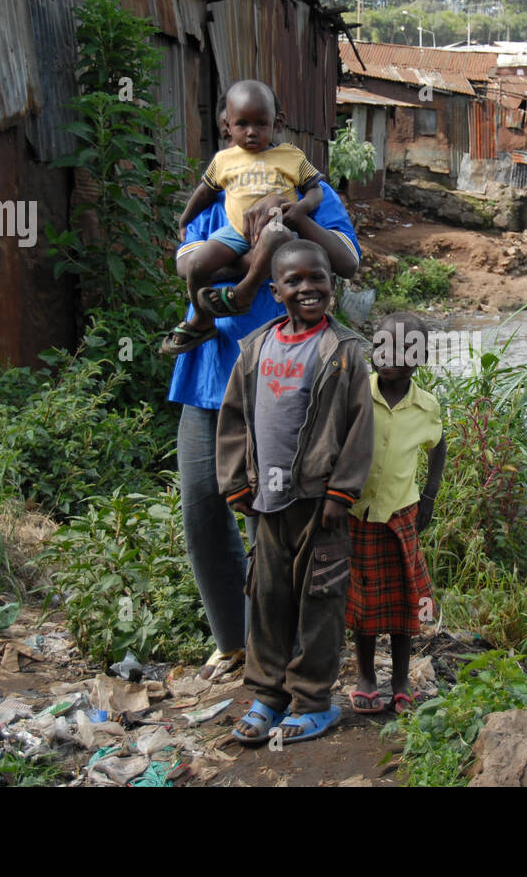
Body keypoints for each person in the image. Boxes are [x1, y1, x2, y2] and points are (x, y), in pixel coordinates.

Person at [169, 184, 360, 682]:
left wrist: (288, 221)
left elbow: (341, 263)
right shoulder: (215, 200)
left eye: (263, 127)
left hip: (283, 386)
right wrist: (257, 250)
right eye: (239, 127)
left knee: (272, 522)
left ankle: (278, 655)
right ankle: (232, 642)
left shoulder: (315, 197)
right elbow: (191, 269)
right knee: (203, 512)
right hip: (208, 376)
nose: (251, 140)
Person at [217, 239, 374, 744]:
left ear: (333, 284)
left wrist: (340, 493)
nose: (307, 288)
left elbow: (359, 427)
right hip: (266, 503)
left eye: (317, 278)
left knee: (319, 601)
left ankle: (313, 700)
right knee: (267, 598)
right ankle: (268, 694)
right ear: (275, 290)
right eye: (294, 281)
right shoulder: (255, 347)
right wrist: (235, 480)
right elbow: (235, 418)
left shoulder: (345, 351)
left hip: (319, 505)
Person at [161, 80, 326, 354]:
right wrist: (184, 220)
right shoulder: (224, 160)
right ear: (228, 125)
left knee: (278, 234)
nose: (252, 132)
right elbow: (204, 193)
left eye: (261, 124)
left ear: (277, 122)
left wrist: (302, 208)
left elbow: (315, 190)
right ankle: (202, 320)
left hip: (276, 231)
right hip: (236, 233)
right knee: (198, 264)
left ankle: (244, 293)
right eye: (242, 125)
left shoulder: (291, 156)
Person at [345, 312, 446, 716]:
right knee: (364, 603)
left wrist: (430, 496)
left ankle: (402, 681)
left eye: (405, 348)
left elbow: (437, 446)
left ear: (420, 357)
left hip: (400, 514)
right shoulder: (355, 393)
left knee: (406, 601)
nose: (392, 355)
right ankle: (367, 677)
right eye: (383, 345)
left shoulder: (427, 407)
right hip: (357, 513)